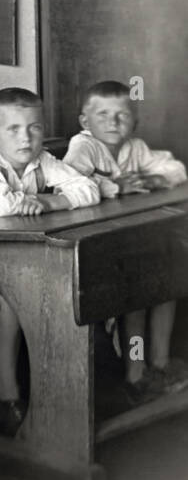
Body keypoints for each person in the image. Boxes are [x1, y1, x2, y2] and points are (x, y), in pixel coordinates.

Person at [0, 88, 100, 435]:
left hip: (21, 251)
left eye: (34, 127)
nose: (26, 138)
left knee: (65, 289)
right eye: (13, 129)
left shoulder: (41, 160)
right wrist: (47, 197)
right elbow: (6, 209)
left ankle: (59, 390)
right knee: (14, 301)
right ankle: (7, 393)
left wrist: (49, 203)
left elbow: (89, 189)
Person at [63, 80, 188, 401]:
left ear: (135, 121)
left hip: (134, 244)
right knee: (136, 300)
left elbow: (175, 169)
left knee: (166, 288)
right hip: (94, 251)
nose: (113, 122)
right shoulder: (84, 146)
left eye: (122, 114)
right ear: (85, 122)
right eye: (102, 114)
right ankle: (136, 372)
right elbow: (69, 183)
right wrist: (114, 186)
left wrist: (153, 178)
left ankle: (159, 364)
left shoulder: (136, 147)